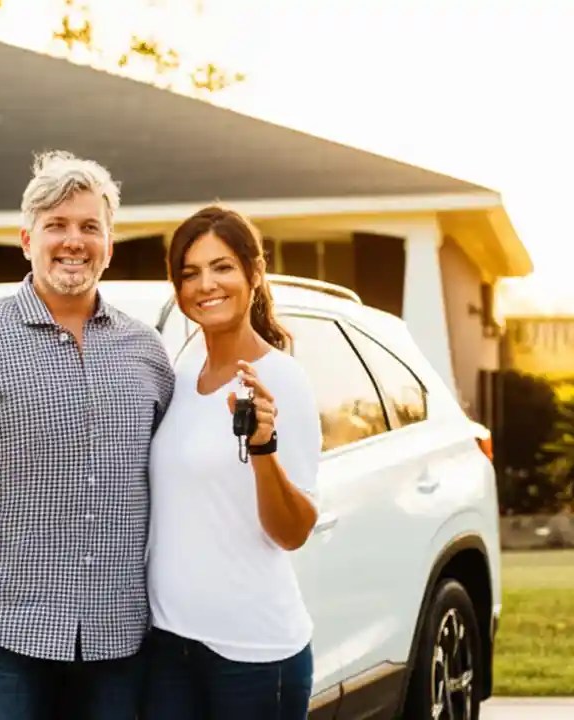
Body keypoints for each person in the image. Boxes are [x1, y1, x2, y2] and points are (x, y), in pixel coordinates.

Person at [0, 150, 176, 719]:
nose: (74, 240)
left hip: (118, 641)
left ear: (109, 245)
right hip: (1, 639)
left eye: (89, 227)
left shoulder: (147, 351)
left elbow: (178, 479)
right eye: (57, 225)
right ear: (27, 240)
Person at [140, 205, 322, 720]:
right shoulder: (180, 368)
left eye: (222, 267)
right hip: (169, 643)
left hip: (253, 655)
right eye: (190, 273)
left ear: (254, 273)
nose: (206, 285)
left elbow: (293, 531)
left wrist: (264, 449)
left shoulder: (281, 380)